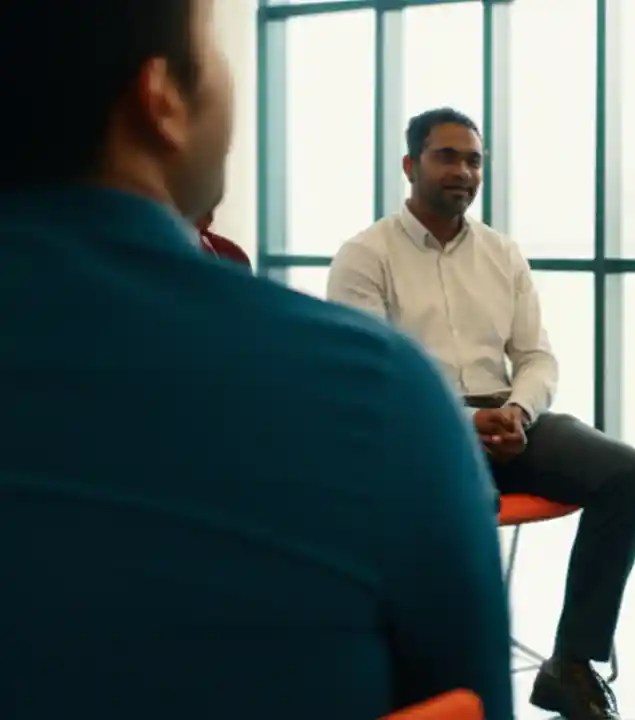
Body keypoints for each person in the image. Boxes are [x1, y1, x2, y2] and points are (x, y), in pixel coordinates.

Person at [0, 2, 511, 719]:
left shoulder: (490, 266)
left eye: (473, 157)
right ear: (162, 100)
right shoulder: (377, 396)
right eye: (216, 46)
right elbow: (469, 702)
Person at [328, 107, 635, 720]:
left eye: (474, 160)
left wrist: (517, 411)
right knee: (459, 501)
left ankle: (572, 663)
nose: (463, 171)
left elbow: (536, 357)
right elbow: (372, 377)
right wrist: (460, 423)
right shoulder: (365, 256)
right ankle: (452, 680)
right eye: (446, 156)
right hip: (421, 432)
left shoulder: (502, 255)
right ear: (410, 166)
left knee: (627, 473)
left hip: (508, 418)